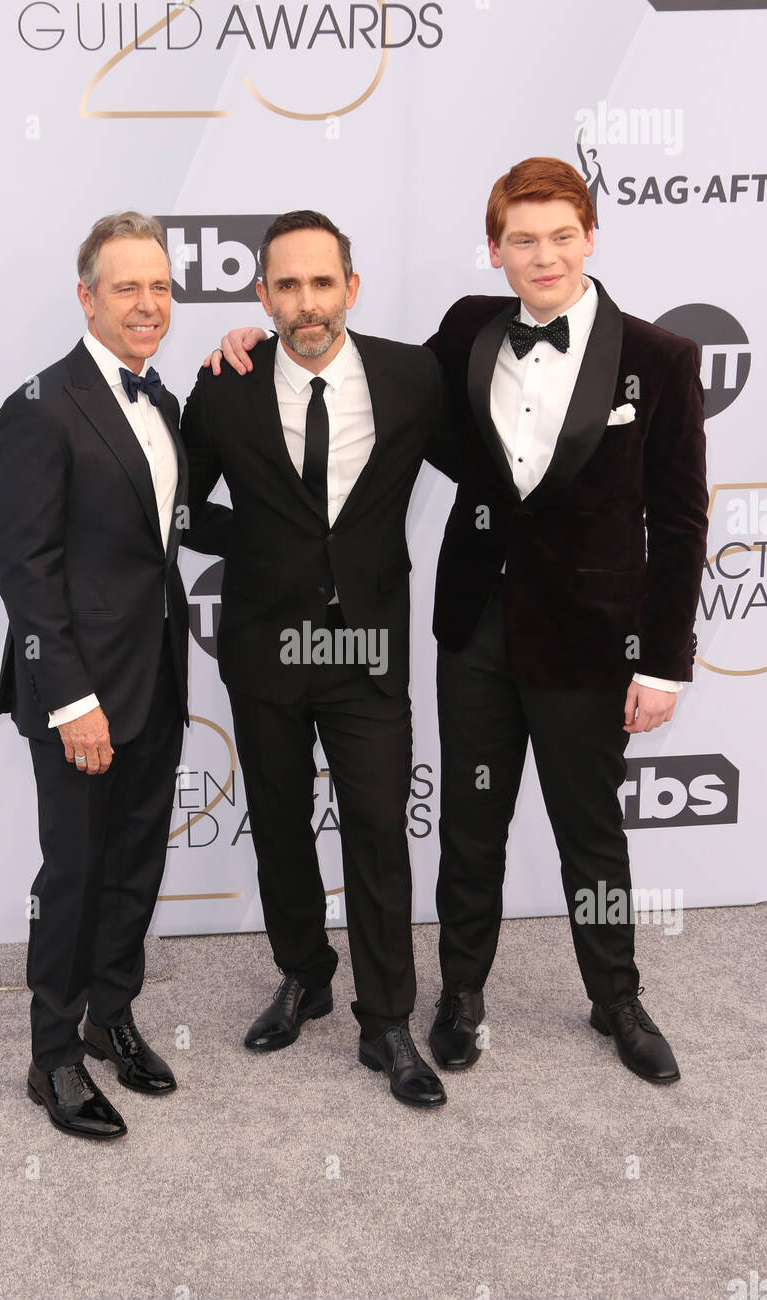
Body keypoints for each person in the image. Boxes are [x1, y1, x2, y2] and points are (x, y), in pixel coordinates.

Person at [213, 158, 709, 1086]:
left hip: (593, 637)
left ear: (591, 236)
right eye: (522, 238)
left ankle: (616, 995)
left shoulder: (661, 357)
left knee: (590, 831)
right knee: (470, 827)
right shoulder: (467, 330)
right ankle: (462, 994)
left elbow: (681, 521)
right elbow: (363, 378)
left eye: (561, 234)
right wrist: (258, 339)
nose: (543, 254)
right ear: (495, 249)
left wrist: (664, 662)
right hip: (474, 627)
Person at [181, 210, 454, 1109]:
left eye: (322, 282)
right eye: (287, 285)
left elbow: (502, 431)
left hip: (364, 646)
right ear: (262, 295)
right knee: (282, 823)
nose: (307, 303)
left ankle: (387, 1023)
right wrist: (257, 543)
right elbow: (175, 503)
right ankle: (304, 973)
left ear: (352, 287)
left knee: (378, 832)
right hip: (263, 645)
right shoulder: (225, 384)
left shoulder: (414, 376)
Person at [0, 211, 222, 1139]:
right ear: (86, 296)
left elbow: (173, 523)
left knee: (135, 863)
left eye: (160, 286)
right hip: (79, 691)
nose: (148, 303)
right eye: (127, 286)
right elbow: (27, 572)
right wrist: (71, 701)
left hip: (159, 677)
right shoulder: (39, 408)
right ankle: (52, 1059)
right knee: (75, 873)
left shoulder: (159, 401)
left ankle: (109, 1015)